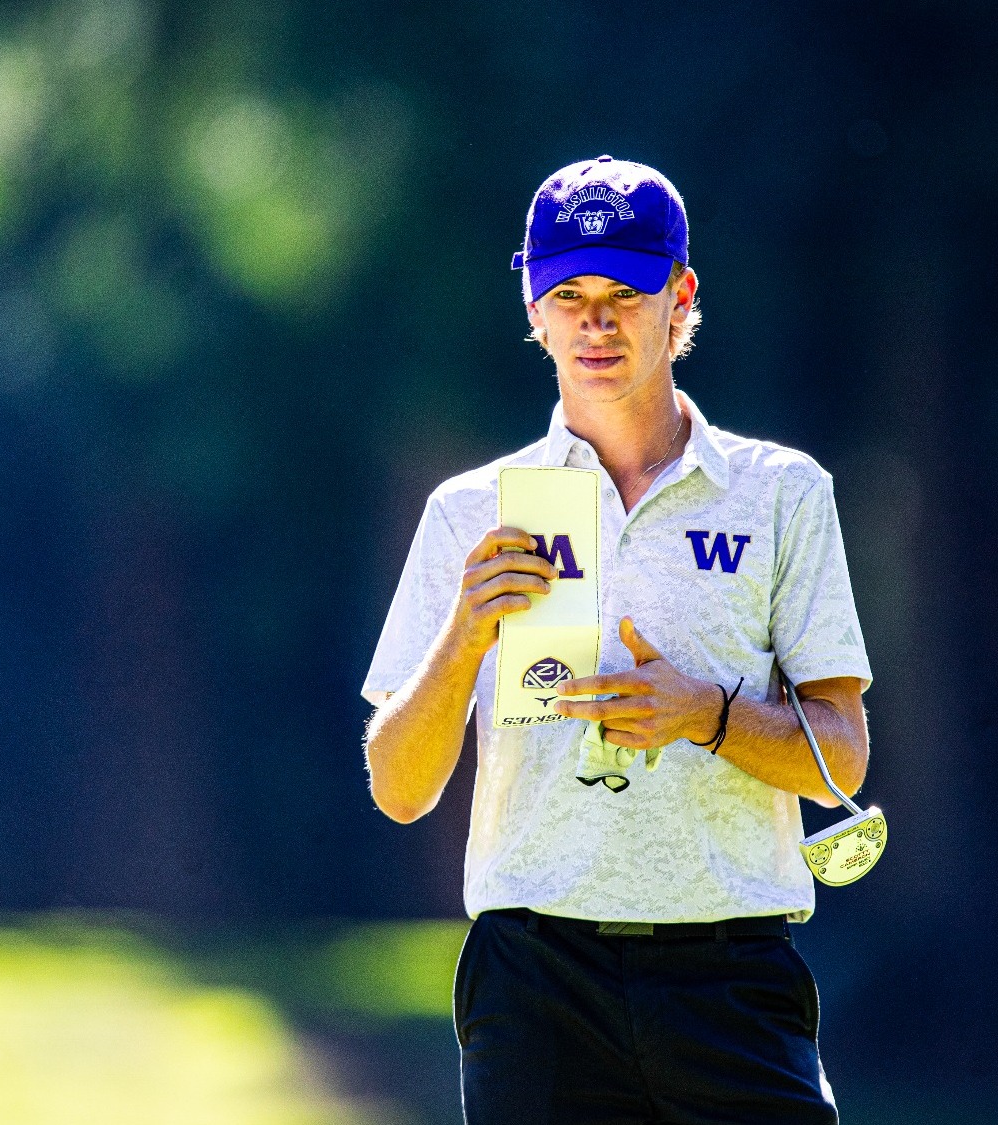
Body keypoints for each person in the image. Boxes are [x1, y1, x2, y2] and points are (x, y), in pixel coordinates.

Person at [361, 155, 873, 1125]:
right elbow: (398, 785)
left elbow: (839, 756)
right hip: (534, 983)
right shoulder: (471, 511)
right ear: (533, 305)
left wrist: (705, 717)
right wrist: (466, 633)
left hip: (732, 971)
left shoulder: (780, 494)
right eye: (568, 294)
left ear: (678, 297)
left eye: (624, 294)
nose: (595, 322)